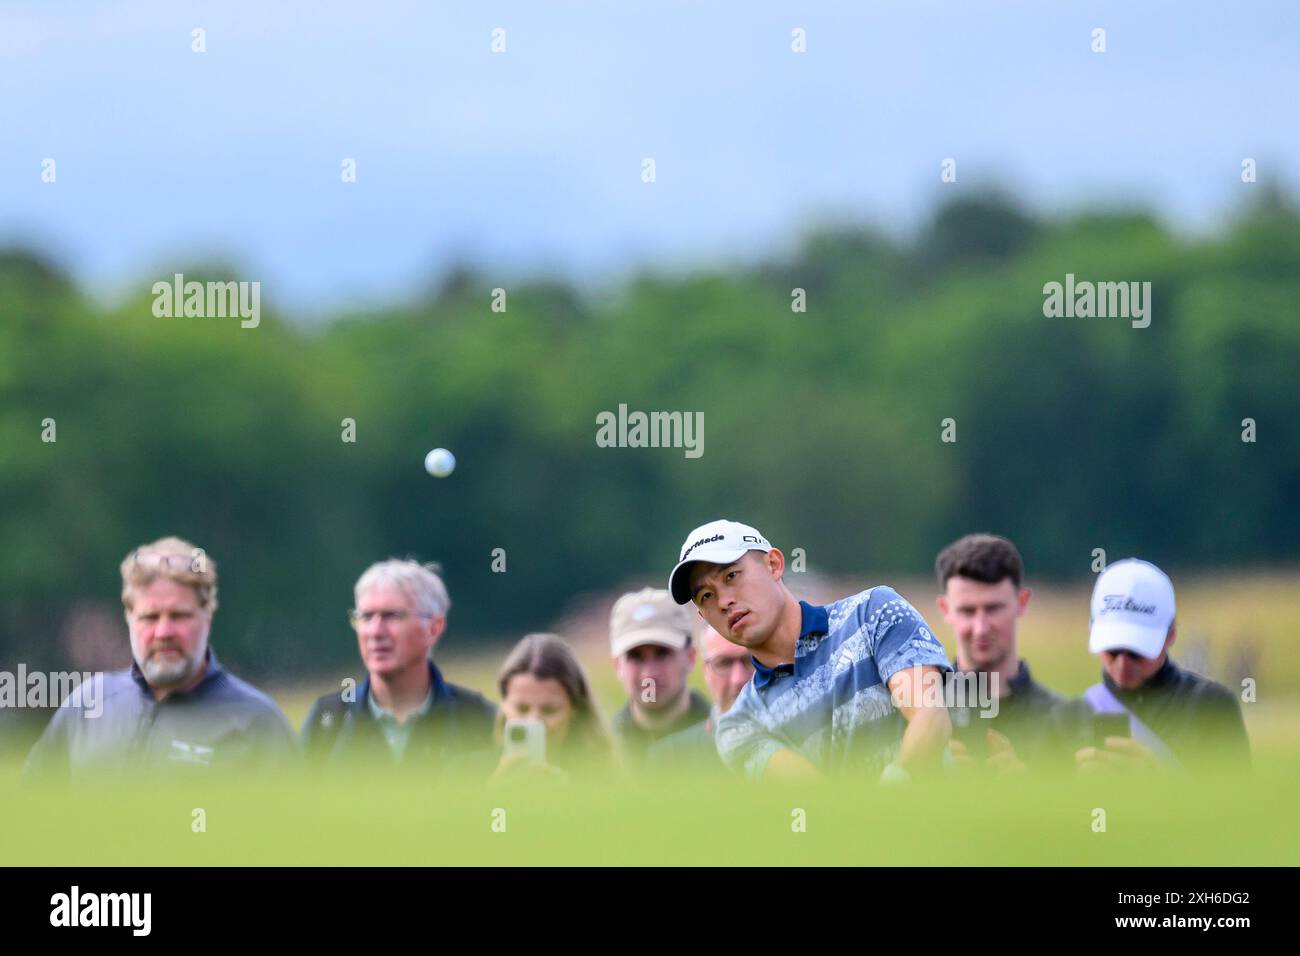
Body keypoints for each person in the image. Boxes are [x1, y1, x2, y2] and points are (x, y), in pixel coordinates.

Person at [669, 519, 951, 781]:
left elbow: (930, 718)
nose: (723, 601)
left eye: (731, 576)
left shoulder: (874, 612)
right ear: (703, 617)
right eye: (706, 596)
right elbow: (818, 802)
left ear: (774, 565)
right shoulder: (738, 726)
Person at [24, 537, 297, 781]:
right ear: (129, 617)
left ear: (208, 617)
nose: (164, 632)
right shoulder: (86, 706)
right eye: (150, 617)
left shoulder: (258, 724)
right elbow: (32, 817)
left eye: (179, 616)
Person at [1055, 558, 1250, 772]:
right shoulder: (1067, 720)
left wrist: (1162, 780)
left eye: (1137, 652)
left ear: (1171, 635)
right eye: (1112, 651)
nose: (1122, 666)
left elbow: (1236, 803)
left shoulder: (1212, 710)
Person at [302, 559, 495, 770]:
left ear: (434, 628)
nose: (375, 632)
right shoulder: (328, 721)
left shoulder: (479, 721)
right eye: (366, 617)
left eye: (391, 616)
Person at [934, 533, 1064, 773]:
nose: (981, 628)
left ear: (1022, 602)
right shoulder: (921, 719)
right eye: (967, 611)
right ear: (945, 609)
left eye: (993, 608)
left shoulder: (1065, 722)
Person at [477, 633, 620, 781]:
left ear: (575, 710)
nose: (534, 720)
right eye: (522, 709)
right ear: (504, 705)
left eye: (549, 710)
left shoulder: (603, 778)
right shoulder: (467, 771)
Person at [608, 587, 711, 764]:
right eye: (635, 657)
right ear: (617, 665)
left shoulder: (727, 741)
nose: (649, 673)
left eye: (662, 654)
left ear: (691, 657)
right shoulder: (600, 752)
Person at [646, 624, 753, 769]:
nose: (738, 679)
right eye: (723, 663)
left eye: (751, 660)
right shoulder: (670, 760)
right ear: (705, 672)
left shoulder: (793, 742)